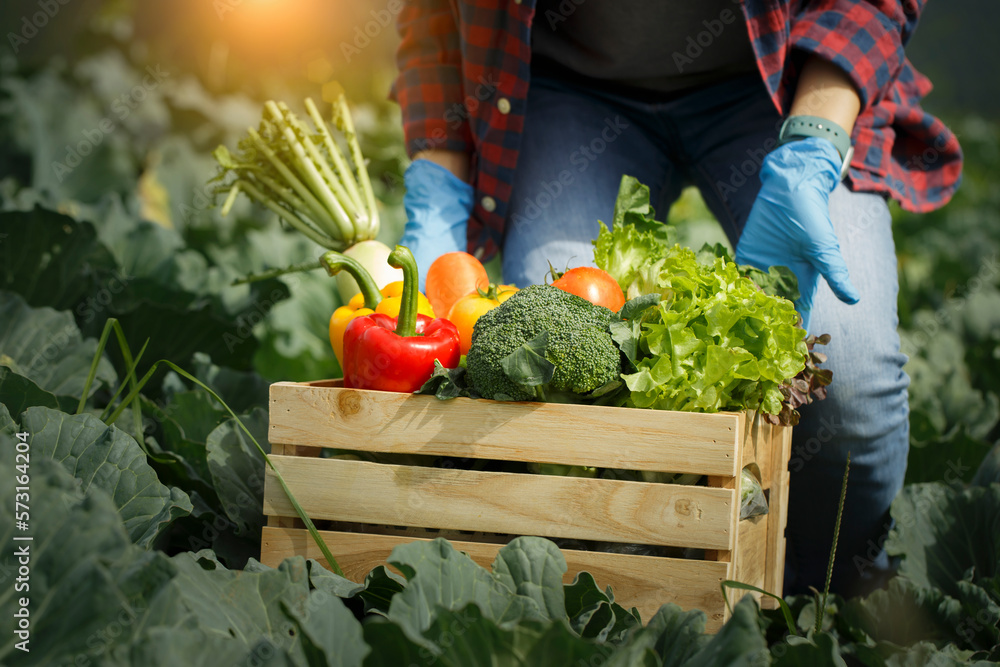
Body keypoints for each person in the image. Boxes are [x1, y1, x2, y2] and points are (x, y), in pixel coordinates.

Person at [391, 0, 962, 597]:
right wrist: (438, 184)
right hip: (573, 94)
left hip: (785, 80)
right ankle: (627, 589)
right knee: (555, 375)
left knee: (851, 384)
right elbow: (433, 14)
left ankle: (833, 593)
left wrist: (814, 143)